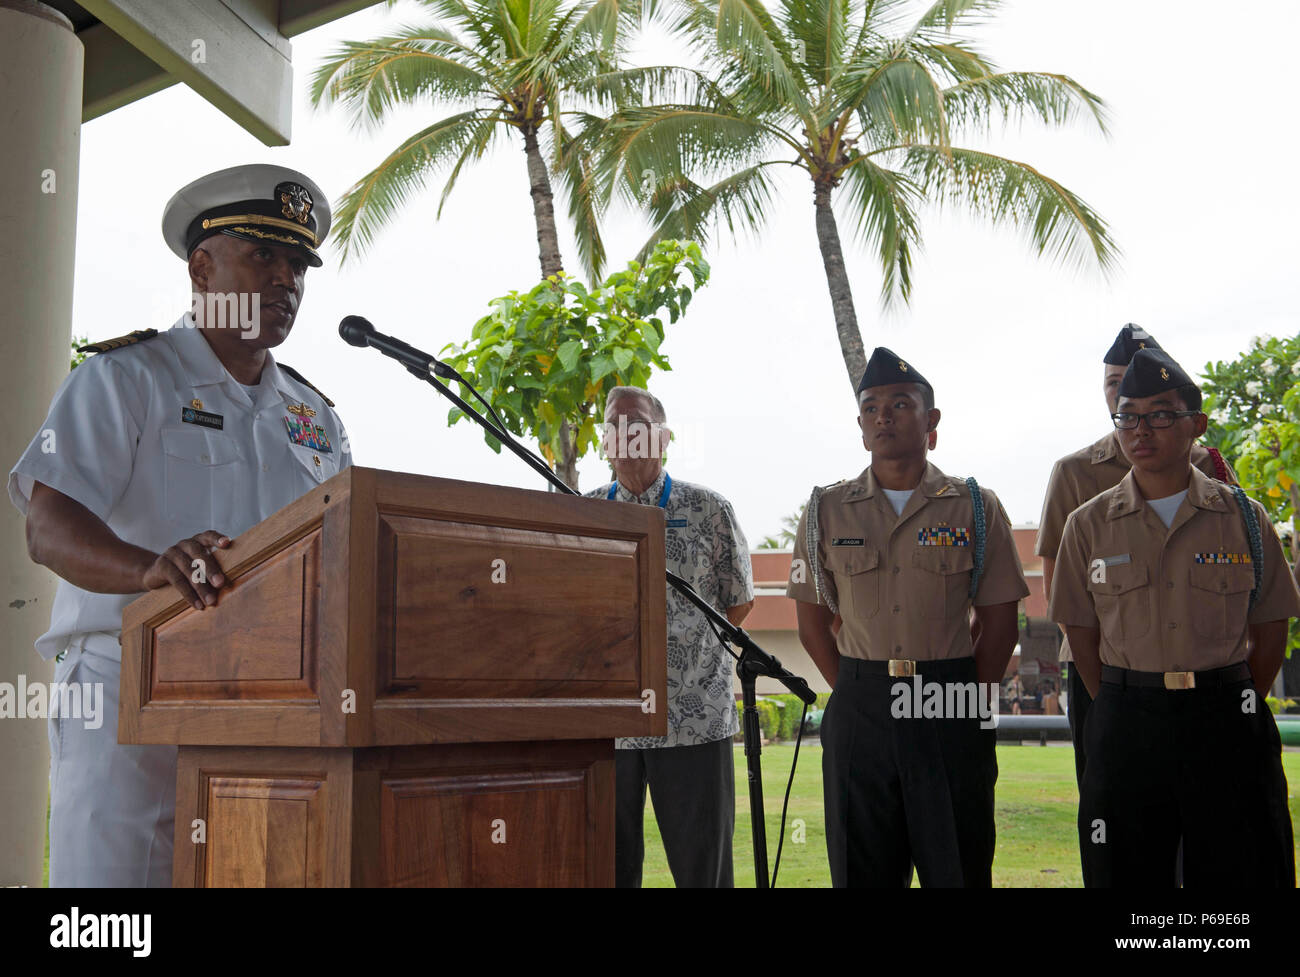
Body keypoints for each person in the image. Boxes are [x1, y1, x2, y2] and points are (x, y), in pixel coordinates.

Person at [9, 164, 351, 886]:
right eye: (263, 256)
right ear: (201, 266)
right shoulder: (125, 380)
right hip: (125, 691)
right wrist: (147, 570)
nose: (285, 280)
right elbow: (48, 524)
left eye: (297, 264)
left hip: (269, 705)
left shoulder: (314, 417)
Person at [1049, 348, 1299, 887]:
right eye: (1129, 416)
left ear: (1196, 426)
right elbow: (1082, 634)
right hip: (1126, 726)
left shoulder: (1244, 519)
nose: (1142, 429)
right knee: (1126, 873)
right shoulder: (1087, 525)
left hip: (1225, 722)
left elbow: (1270, 628)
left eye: (1161, 414)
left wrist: (1225, 697)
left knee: (1240, 870)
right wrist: (1126, 696)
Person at [787, 348, 1029, 887]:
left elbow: (1000, 625)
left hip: (949, 703)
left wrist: (967, 701)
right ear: (860, 425)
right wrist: (859, 689)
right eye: (871, 407)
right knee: (862, 869)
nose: (884, 416)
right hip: (861, 708)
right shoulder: (826, 509)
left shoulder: (973, 506)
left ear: (931, 421)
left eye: (900, 404)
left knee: (958, 867)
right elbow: (812, 623)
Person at [1036, 324, 1236, 789]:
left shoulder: (1207, 465)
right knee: (1111, 809)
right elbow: (1055, 582)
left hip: (1199, 667)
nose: (1127, 388)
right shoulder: (1074, 472)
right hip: (1101, 668)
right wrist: (1105, 689)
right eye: (1116, 383)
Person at [585, 386, 754, 887]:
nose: (624, 432)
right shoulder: (583, 511)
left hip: (693, 717)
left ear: (663, 437)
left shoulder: (708, 508)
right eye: (613, 424)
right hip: (605, 723)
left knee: (703, 868)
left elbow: (739, 601)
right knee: (606, 869)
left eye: (635, 422)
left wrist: (682, 652)